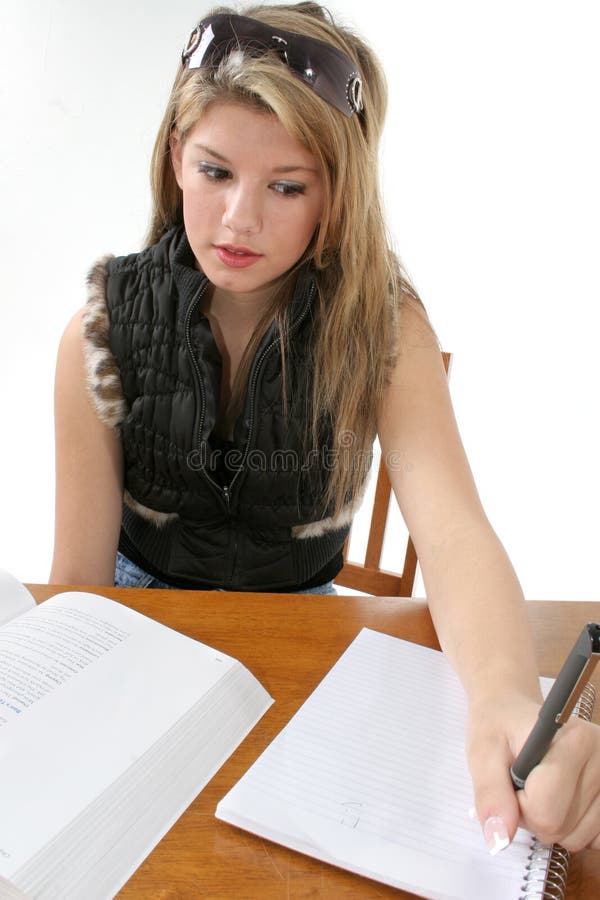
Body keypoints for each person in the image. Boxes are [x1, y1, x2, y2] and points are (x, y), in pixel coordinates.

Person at [50, 1, 600, 856]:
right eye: (214, 170)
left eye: (287, 186)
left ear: (334, 192)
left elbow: (454, 535)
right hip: (143, 635)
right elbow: (80, 589)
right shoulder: (99, 330)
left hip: (305, 625)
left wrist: (502, 697)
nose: (239, 220)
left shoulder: (385, 328)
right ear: (174, 158)